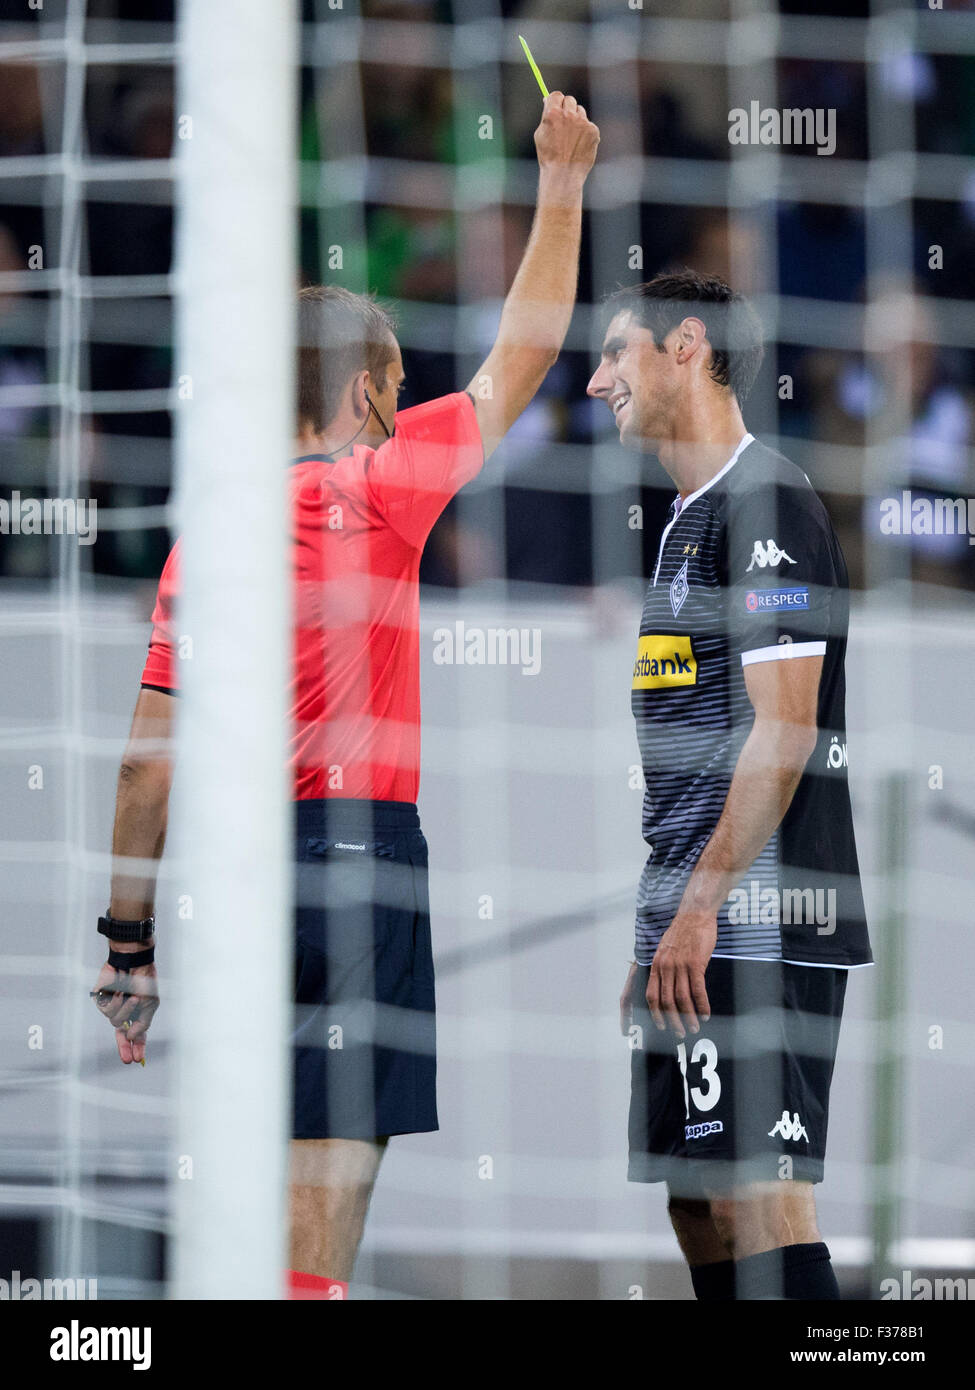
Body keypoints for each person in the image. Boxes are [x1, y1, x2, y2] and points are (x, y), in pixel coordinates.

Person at [91, 92, 599, 1299]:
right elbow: (522, 356)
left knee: (252, 1181)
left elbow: (143, 767)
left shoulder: (201, 539)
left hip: (235, 873)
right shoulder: (378, 483)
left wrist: (127, 948)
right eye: (401, 379)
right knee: (324, 1200)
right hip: (359, 851)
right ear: (372, 391)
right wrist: (564, 183)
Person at [587, 269, 872, 1301]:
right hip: (694, 917)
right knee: (696, 1199)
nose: (593, 381)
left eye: (614, 351)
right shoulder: (678, 525)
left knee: (761, 1195)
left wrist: (700, 903)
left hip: (767, 911)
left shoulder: (768, 499)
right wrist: (666, 914)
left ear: (686, 345)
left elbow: (784, 728)